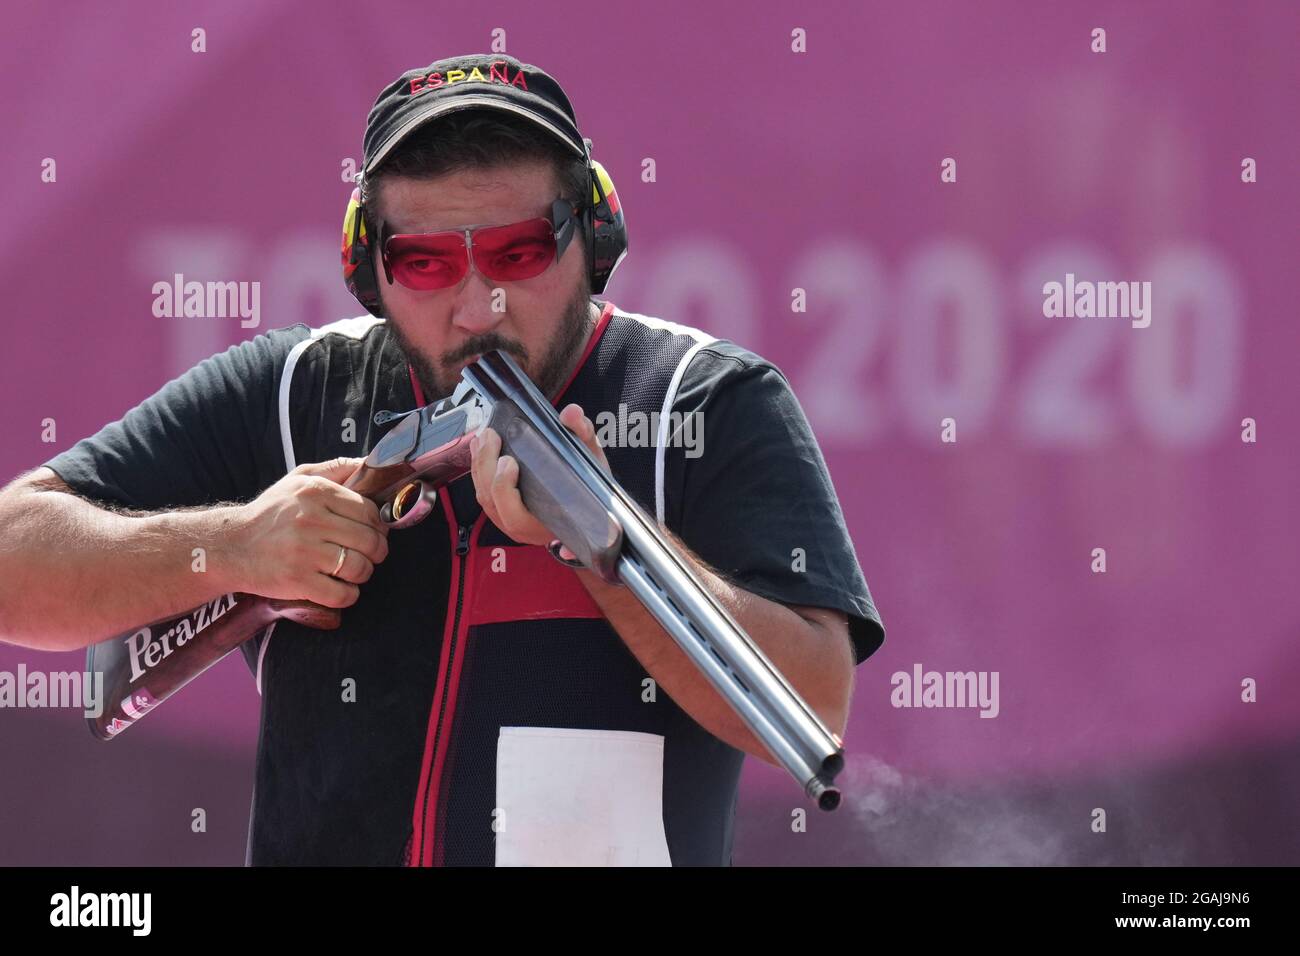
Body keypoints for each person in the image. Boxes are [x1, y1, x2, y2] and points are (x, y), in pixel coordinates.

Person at [0, 53, 884, 866]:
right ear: (368, 268)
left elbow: (810, 703)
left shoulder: (702, 401)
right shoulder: (292, 392)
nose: (478, 307)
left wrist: (596, 542)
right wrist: (238, 547)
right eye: (425, 262)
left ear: (595, 238)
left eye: (518, 252)